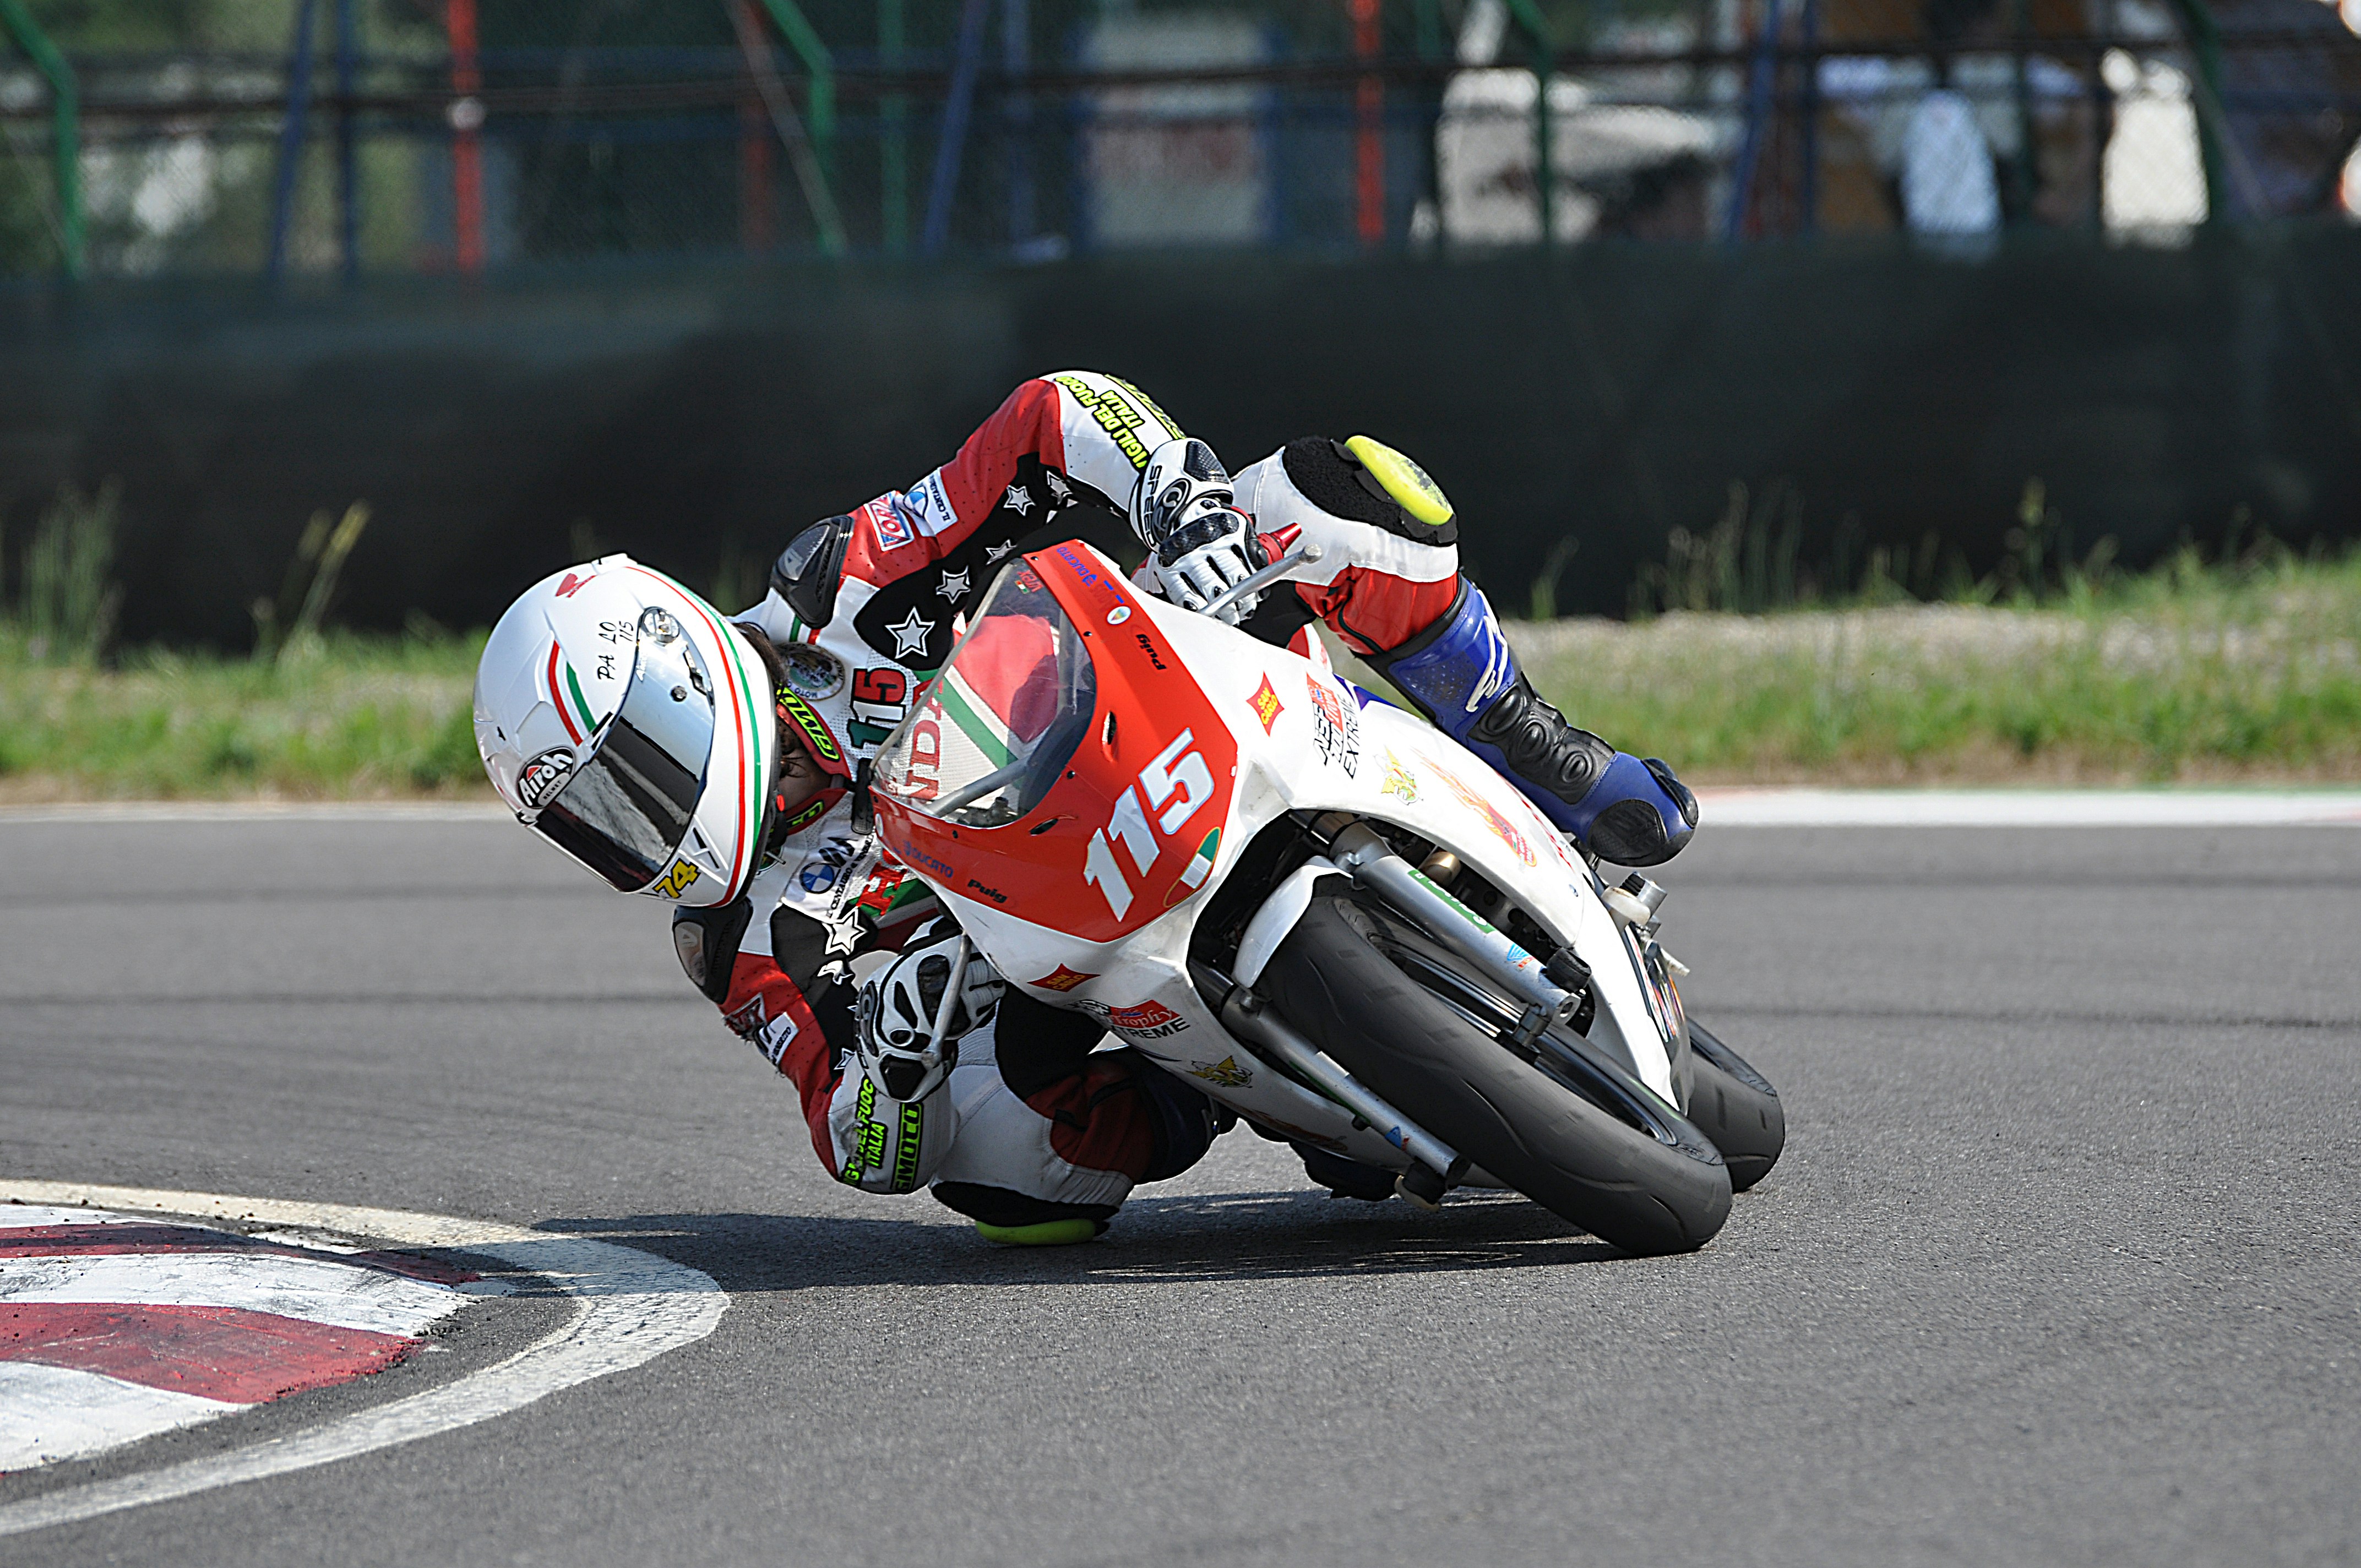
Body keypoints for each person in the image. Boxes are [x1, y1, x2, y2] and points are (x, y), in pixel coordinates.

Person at [471, 370, 1697, 1244]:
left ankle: (1533, 745)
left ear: (685, 668)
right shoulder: (737, 936)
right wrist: (891, 1069)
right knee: (999, 1178)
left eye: (632, 768)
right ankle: (1228, 1087)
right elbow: (853, 1143)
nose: (642, 826)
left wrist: (1174, 492)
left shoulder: (841, 588)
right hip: (1091, 947)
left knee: (1330, 494)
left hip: (1170, 701)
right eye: (596, 821)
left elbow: (1046, 416)